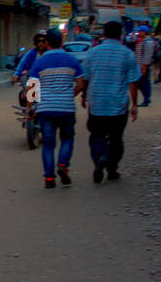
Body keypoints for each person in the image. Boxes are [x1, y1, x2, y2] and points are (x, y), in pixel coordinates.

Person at [78, 21, 141, 183]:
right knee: (116, 138)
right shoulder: (127, 54)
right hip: (118, 106)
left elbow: (85, 78)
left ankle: (99, 157)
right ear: (120, 35)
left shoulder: (93, 53)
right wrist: (134, 104)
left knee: (96, 136)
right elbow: (133, 82)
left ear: (103, 34)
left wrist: (84, 97)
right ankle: (112, 169)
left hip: (97, 104)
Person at [28, 28, 86, 189]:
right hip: (66, 108)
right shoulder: (71, 60)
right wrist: (70, 94)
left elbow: (32, 88)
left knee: (48, 144)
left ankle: (49, 179)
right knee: (67, 138)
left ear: (46, 43)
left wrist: (30, 108)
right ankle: (63, 165)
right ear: (62, 42)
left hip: (46, 109)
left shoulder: (39, 62)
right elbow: (81, 83)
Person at [134, 25, 156, 106]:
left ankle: (146, 99)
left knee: (144, 83)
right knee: (142, 83)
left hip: (144, 67)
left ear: (144, 32)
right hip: (140, 67)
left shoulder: (148, 42)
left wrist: (144, 68)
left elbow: (147, 56)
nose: (138, 33)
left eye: (139, 31)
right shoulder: (143, 41)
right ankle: (146, 99)